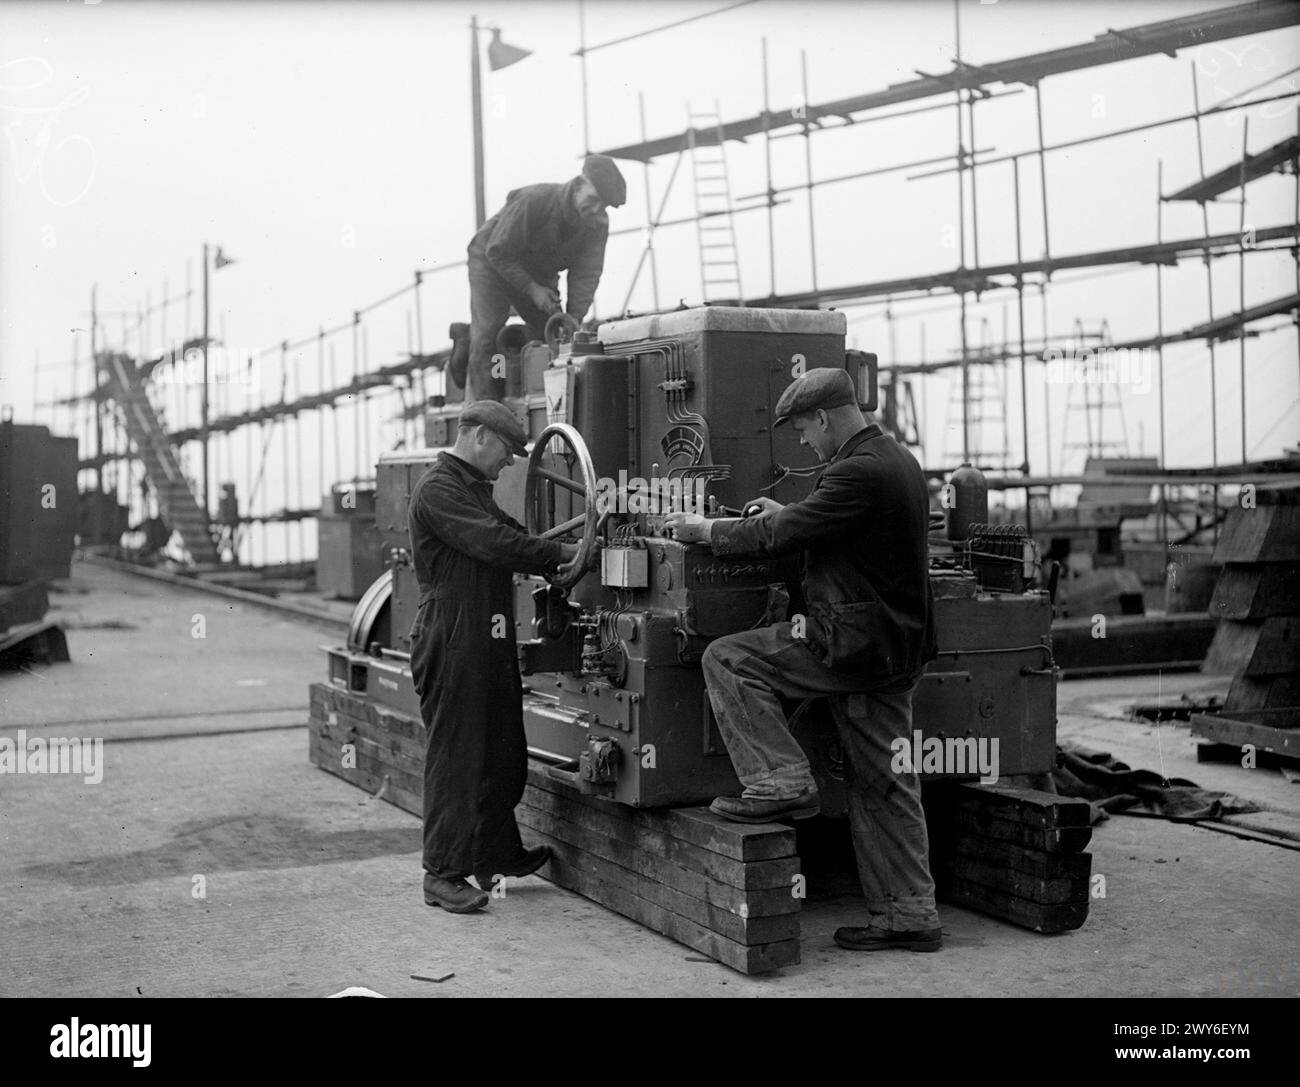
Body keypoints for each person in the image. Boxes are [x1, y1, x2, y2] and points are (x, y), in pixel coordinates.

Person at [663, 367, 942, 953]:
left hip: (853, 645)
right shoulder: (892, 459)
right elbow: (828, 520)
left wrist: (705, 528)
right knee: (884, 783)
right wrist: (783, 509)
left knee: (729, 658)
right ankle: (910, 913)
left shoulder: (858, 470)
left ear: (824, 417)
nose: (804, 445)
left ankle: (783, 780)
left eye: (804, 431)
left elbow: (787, 532)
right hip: (893, 646)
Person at [407, 400, 582, 913]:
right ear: (479, 436)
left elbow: (516, 536)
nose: (510, 464)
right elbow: (495, 543)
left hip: (487, 634)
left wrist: (567, 548)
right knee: (457, 757)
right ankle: (441, 875)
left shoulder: (472, 489)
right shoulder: (440, 489)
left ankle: (496, 852)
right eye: (507, 452)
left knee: (503, 747)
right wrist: (564, 554)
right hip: (452, 633)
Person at [455, 154, 627, 402]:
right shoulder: (534, 200)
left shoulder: (596, 223)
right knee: (489, 335)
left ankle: (521, 388)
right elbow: (498, 251)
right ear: (578, 185)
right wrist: (533, 289)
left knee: (551, 332)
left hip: (538, 274)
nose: (596, 210)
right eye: (592, 200)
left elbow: (586, 275)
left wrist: (572, 319)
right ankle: (485, 407)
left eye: (604, 205)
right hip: (491, 261)